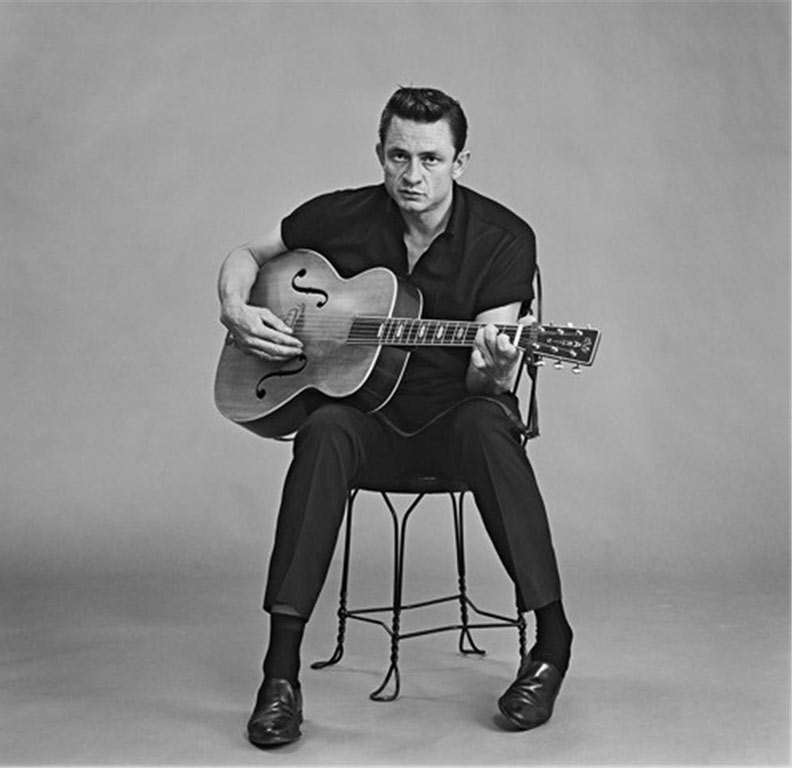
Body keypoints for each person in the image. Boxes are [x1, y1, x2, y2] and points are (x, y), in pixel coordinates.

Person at [217, 86, 573, 747]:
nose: (414, 176)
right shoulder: (340, 216)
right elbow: (248, 255)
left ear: (461, 161)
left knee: (489, 423)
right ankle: (279, 677)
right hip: (366, 424)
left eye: (432, 159)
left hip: (453, 426)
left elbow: (483, 379)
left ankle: (551, 640)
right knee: (321, 431)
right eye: (399, 156)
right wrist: (237, 309)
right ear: (380, 154)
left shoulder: (503, 239)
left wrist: (498, 365)